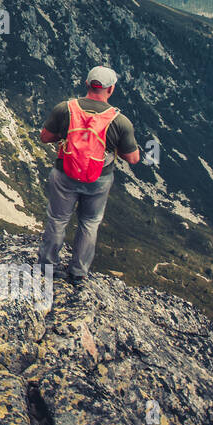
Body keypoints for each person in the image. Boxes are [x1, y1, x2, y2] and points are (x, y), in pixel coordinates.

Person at [36, 65, 141, 284]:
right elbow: (133, 158)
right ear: (110, 90)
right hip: (99, 179)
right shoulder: (120, 121)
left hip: (65, 173)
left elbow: (45, 137)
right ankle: (78, 272)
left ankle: (47, 267)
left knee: (57, 219)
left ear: (87, 84)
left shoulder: (64, 109)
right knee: (90, 222)